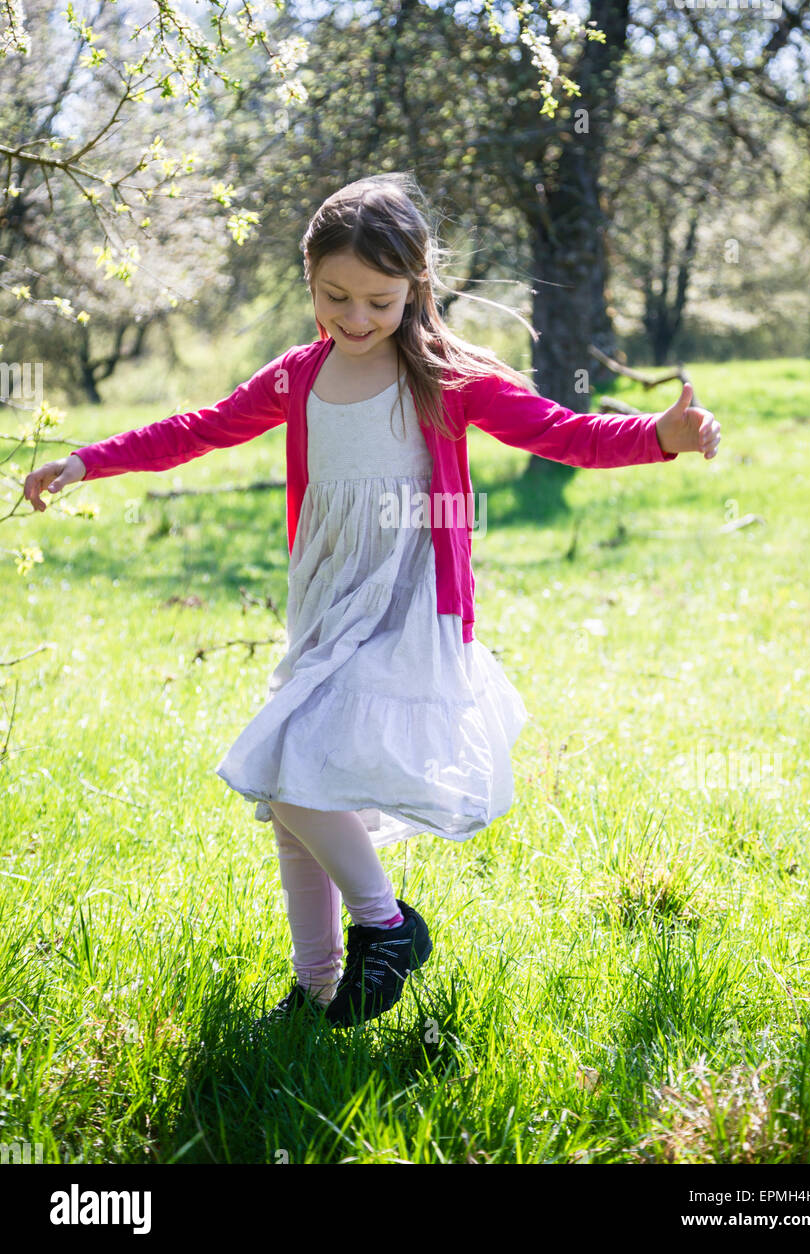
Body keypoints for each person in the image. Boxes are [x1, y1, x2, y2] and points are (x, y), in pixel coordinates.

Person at [23, 172, 721, 1029]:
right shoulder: (298, 376)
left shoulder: (445, 378)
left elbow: (560, 432)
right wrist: (90, 459)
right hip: (325, 600)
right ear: (309, 280)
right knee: (302, 795)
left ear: (416, 290)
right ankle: (316, 988)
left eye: (379, 303)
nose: (356, 320)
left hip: (407, 604)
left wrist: (660, 436)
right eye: (335, 297)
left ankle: (385, 928)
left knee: (292, 775)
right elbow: (198, 428)